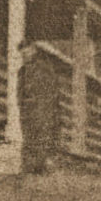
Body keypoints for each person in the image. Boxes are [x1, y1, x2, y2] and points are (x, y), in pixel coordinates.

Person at [18, 41, 62, 174]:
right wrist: (23, 110)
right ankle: (28, 169)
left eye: (28, 52)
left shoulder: (44, 69)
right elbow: (20, 94)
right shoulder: (22, 71)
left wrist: (45, 112)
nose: (25, 55)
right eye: (23, 53)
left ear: (34, 51)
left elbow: (50, 94)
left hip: (42, 111)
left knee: (43, 139)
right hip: (28, 112)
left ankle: (41, 169)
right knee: (28, 140)